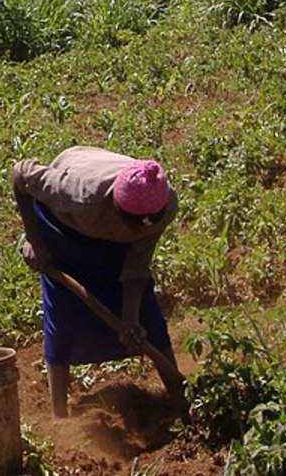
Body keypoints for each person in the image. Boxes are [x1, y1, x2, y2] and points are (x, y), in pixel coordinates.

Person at [13, 146, 183, 417]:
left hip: (115, 240)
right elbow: (21, 175)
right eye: (133, 224)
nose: (142, 230)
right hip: (63, 226)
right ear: (116, 207)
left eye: (147, 225)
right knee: (65, 317)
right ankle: (60, 418)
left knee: (147, 317)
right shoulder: (78, 194)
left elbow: (137, 265)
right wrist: (34, 239)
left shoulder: (163, 205)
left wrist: (130, 319)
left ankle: (180, 401)